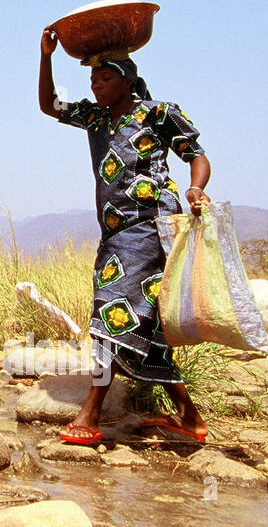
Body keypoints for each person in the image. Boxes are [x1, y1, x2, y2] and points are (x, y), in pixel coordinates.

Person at [38, 28, 212, 444]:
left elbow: (197, 155)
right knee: (146, 328)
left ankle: (90, 413)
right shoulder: (95, 118)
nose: (96, 87)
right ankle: (190, 418)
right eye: (92, 82)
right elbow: (49, 105)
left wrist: (196, 188)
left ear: (127, 80)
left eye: (105, 80)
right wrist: (45, 56)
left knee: (110, 311)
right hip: (115, 232)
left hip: (152, 224)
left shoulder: (158, 113)